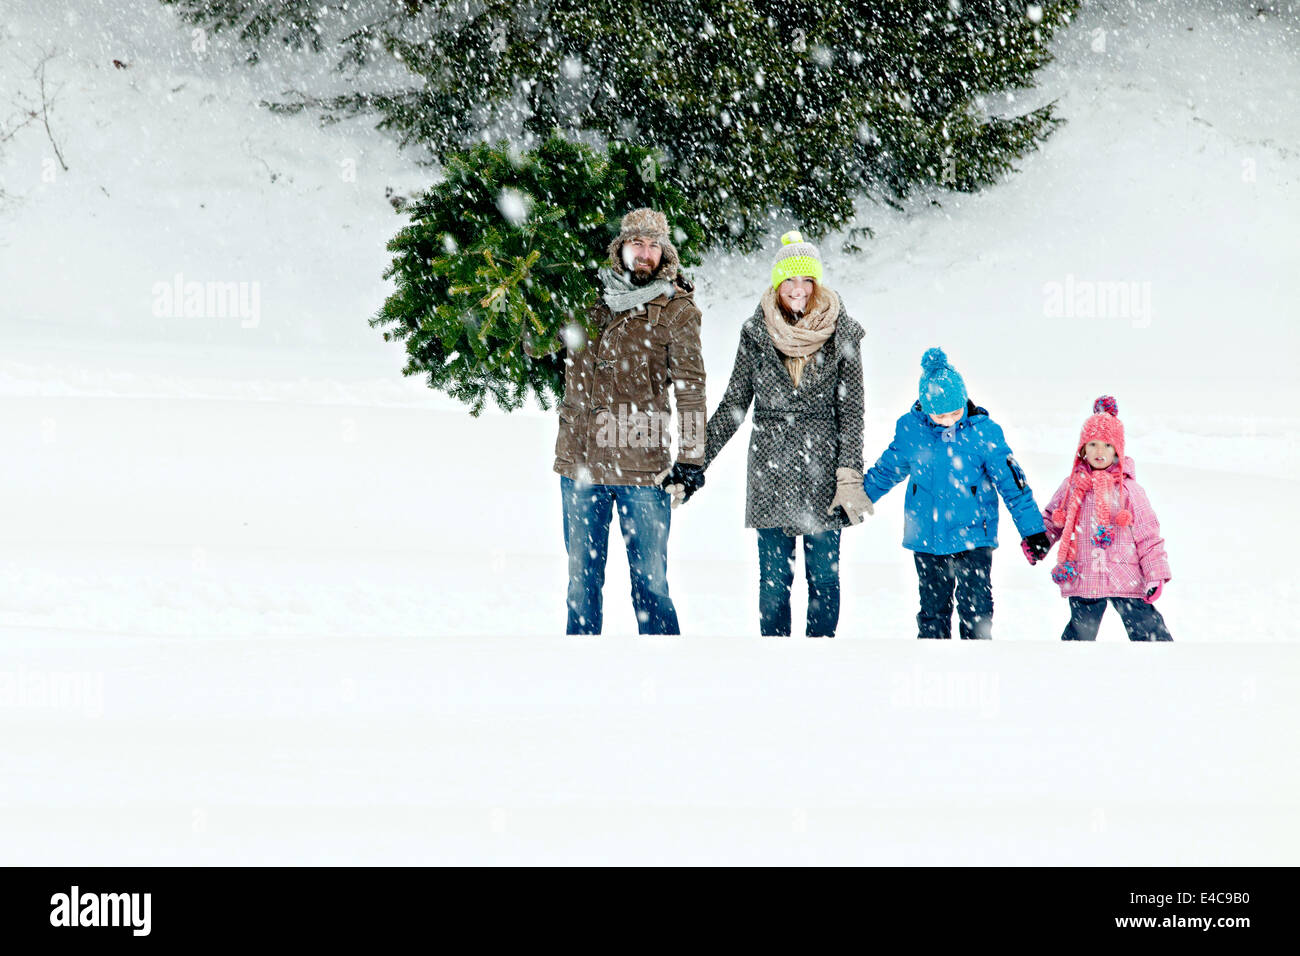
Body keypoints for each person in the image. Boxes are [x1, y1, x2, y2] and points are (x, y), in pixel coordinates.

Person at [669, 231, 868, 637]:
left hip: (823, 474)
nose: (798, 289)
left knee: (825, 582)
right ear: (777, 284)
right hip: (771, 475)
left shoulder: (842, 333)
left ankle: (820, 660)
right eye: (790, 281)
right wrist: (693, 463)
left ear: (816, 284)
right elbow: (734, 406)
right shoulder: (757, 333)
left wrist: (849, 474)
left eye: (806, 280)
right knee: (774, 585)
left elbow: (851, 411)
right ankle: (774, 663)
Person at [533, 208, 707, 635]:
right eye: (637, 244)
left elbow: (691, 387)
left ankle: (665, 676)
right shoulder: (587, 300)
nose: (644, 253)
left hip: (642, 469)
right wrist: (527, 312)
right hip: (580, 464)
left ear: (664, 252)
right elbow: (535, 346)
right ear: (621, 248)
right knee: (581, 586)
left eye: (653, 245)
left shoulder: (677, 309)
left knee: (651, 585)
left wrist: (691, 458)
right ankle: (581, 678)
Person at [861, 348, 1051, 639]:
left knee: (976, 608)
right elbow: (886, 471)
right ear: (925, 408)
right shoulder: (911, 431)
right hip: (926, 536)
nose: (948, 420)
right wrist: (858, 499)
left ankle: (976, 659)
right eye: (939, 415)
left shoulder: (985, 434)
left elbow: (1014, 485)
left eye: (954, 412)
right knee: (932, 608)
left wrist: (1033, 530)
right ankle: (932, 658)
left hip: (974, 536)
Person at [1033, 396, 1173, 641]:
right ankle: (1068, 669)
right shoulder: (1072, 487)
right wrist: (1038, 542)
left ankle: (1164, 664)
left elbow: (1148, 536)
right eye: (1093, 444)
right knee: (1081, 630)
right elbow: (1054, 519)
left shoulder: (1129, 491)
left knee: (1145, 625)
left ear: (1118, 451)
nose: (1100, 451)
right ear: (1082, 449)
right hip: (1085, 573)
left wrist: (1155, 574)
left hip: (1126, 577)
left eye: (1108, 446)